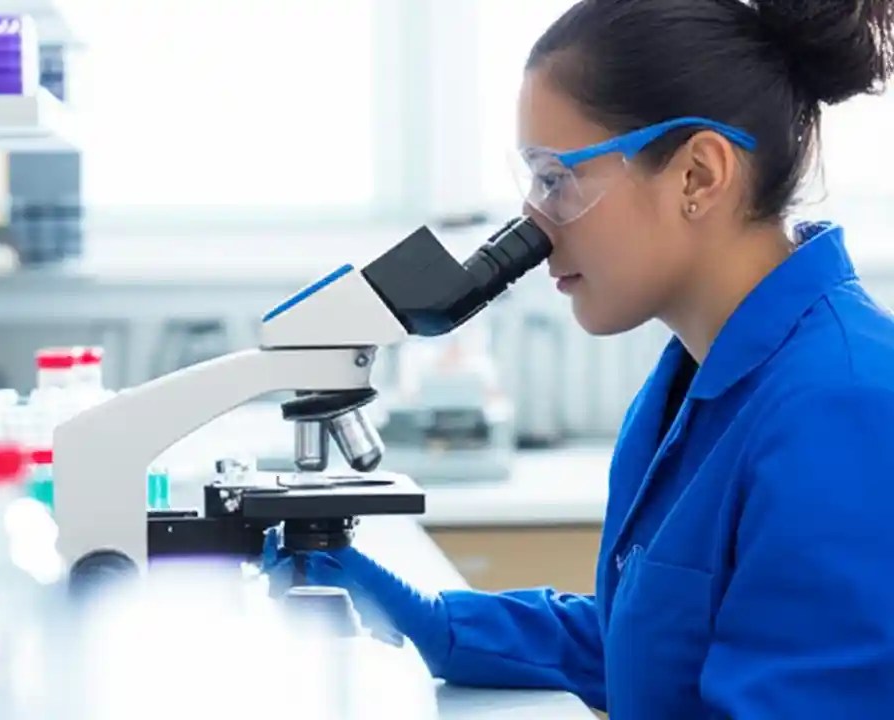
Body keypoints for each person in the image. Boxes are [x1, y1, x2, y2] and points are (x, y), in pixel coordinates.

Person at [264, 0, 894, 716]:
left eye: (556, 180)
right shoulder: (696, 383)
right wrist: (434, 623)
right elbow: (650, 643)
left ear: (697, 175)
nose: (533, 226)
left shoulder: (843, 407)